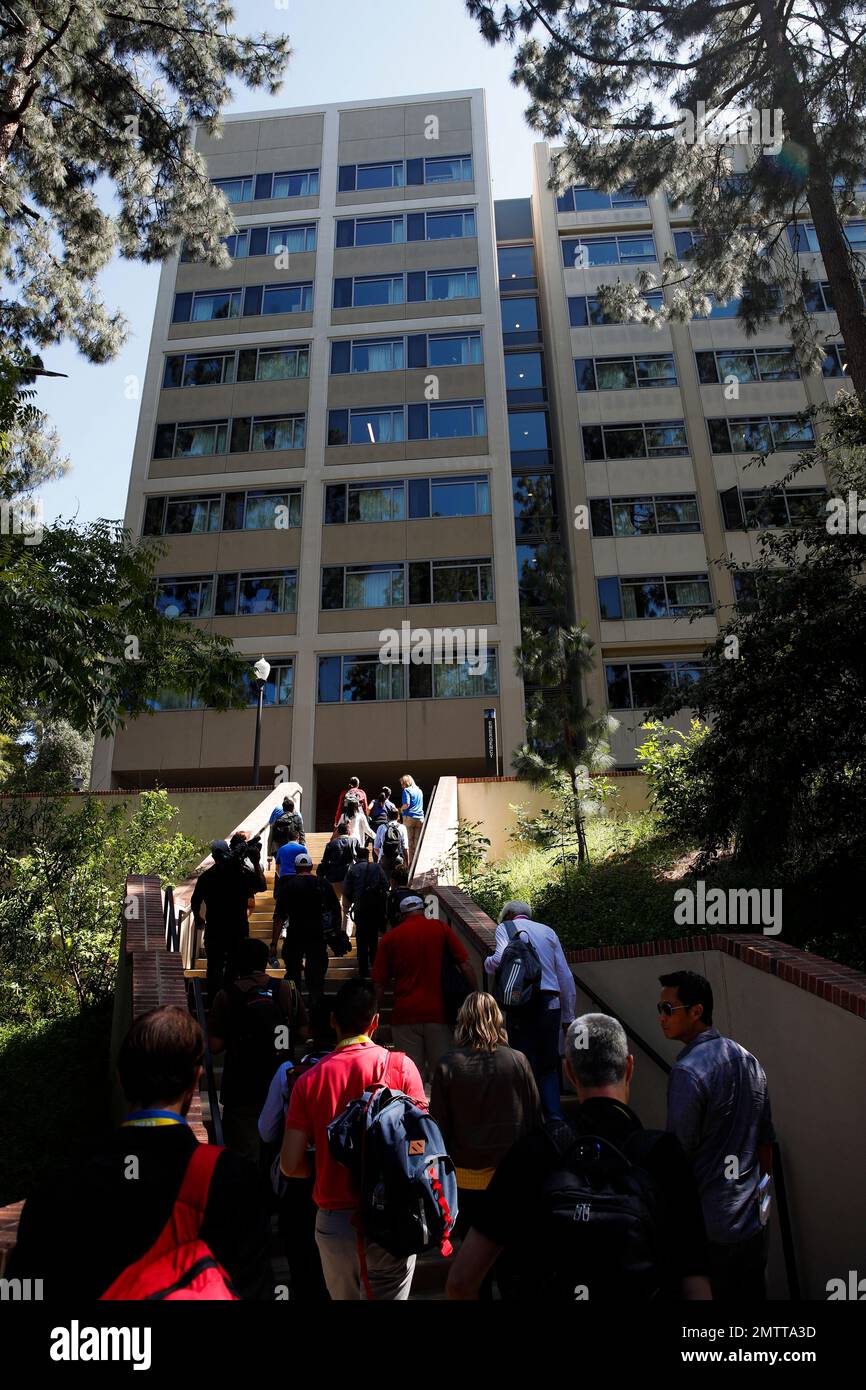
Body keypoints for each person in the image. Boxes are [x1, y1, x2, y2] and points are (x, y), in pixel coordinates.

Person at [7, 1006, 273, 1300]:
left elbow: (24, 1287)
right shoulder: (231, 1178)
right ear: (195, 1080)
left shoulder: (60, 1180)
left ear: (121, 1078)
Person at [446, 1013, 712, 1302]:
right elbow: (696, 1285)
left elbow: (460, 1282)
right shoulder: (665, 1158)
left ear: (569, 1072)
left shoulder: (533, 1152)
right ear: (630, 1067)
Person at [279, 978, 428, 1300]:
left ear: (333, 1021)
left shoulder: (308, 1081)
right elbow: (422, 1146)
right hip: (393, 1217)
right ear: (376, 1022)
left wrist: (323, 1165)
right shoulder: (401, 1067)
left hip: (335, 1221)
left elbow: (289, 1166)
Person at [657, 970, 775, 1301]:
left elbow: (677, 1157)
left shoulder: (688, 1071)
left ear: (696, 1011)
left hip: (708, 1228)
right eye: (660, 1009)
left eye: (668, 1009)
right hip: (751, 1224)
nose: (661, 1017)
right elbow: (766, 1142)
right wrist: (764, 1209)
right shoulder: (749, 1061)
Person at [430, 993, 541, 1299]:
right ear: (498, 1020)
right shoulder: (518, 1061)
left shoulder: (447, 1066)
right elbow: (535, 1121)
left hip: (466, 1187)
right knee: (513, 1270)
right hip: (512, 1183)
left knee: (475, 1273)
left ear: (462, 1022)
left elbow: (437, 1130)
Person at [258, 999, 335, 1303]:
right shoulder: (362, 1068)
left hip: (300, 1185)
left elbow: (265, 1129)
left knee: (303, 1269)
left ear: (309, 1032)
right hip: (346, 1185)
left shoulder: (289, 1072)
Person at [208, 937, 308, 1163]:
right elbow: (303, 1033)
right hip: (281, 1079)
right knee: (278, 1150)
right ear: (265, 961)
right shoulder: (286, 989)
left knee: (242, 1155)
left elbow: (214, 1046)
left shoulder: (226, 995)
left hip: (241, 1086)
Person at [483, 899, 576, 1121]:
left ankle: (529, 1123)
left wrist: (487, 963)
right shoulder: (548, 931)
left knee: (523, 1063)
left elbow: (498, 959)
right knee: (549, 1065)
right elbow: (565, 975)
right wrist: (568, 1015)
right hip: (550, 1004)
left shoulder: (505, 928)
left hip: (521, 1003)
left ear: (508, 916)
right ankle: (555, 1121)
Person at [372, 895, 476, 1084]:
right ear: (423, 909)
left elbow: (379, 983)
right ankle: (442, 1113)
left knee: (411, 1077)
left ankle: (416, 1112)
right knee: (444, 1075)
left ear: (401, 914)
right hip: (440, 1014)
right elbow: (465, 964)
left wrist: (376, 1014)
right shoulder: (440, 929)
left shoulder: (390, 938)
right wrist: (475, 995)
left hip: (404, 1015)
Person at [191, 836, 266, 1005]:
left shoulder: (207, 877)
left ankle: (214, 1003)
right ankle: (231, 1002)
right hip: (237, 928)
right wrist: (255, 863)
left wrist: (198, 917)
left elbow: (195, 900)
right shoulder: (240, 874)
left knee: (214, 967)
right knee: (234, 967)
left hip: (215, 929)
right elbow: (261, 885)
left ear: (213, 856)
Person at [273, 853, 329, 1002]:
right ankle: (316, 1007)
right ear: (311, 867)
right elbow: (334, 912)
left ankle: (293, 1005)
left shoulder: (288, 887)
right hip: (317, 935)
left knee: (292, 974)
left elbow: (279, 917)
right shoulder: (322, 884)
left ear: (295, 868)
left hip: (295, 934)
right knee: (316, 976)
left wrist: (273, 943)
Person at [343, 845, 390, 977]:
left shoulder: (352, 869)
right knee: (373, 938)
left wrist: (356, 898)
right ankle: (375, 966)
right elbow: (386, 885)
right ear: (368, 855)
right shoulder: (376, 867)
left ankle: (363, 969)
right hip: (375, 909)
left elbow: (346, 890)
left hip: (360, 909)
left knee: (361, 939)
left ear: (357, 856)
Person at [318, 820, 356, 936]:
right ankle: (346, 933)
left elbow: (324, 862)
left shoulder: (331, 844)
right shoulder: (353, 841)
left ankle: (335, 931)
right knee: (347, 907)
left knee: (335, 905)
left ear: (338, 832)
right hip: (349, 878)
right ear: (348, 831)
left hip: (334, 878)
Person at [268, 797, 305, 864]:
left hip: (278, 848)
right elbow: (301, 833)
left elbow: (271, 837)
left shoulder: (277, 820)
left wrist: (269, 854)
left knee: (280, 866)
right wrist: (302, 846)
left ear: (283, 808)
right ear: (293, 808)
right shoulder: (297, 818)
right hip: (293, 847)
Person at [399, 774, 424, 862]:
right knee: (417, 842)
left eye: (402, 783)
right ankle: (418, 862)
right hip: (420, 818)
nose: (402, 785)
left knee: (409, 842)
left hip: (409, 817)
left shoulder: (406, 790)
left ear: (405, 782)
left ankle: (410, 863)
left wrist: (401, 809)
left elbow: (407, 804)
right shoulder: (419, 791)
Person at [374, 805, 408, 870]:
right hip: (398, 860)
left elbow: (376, 848)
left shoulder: (381, 827)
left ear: (387, 817)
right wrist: (407, 864)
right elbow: (405, 848)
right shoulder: (402, 828)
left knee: (384, 879)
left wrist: (381, 856)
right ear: (398, 817)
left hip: (384, 860)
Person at [385, 862, 415, 929]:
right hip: (411, 930)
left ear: (393, 881)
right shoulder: (416, 895)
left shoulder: (390, 896)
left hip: (395, 931)